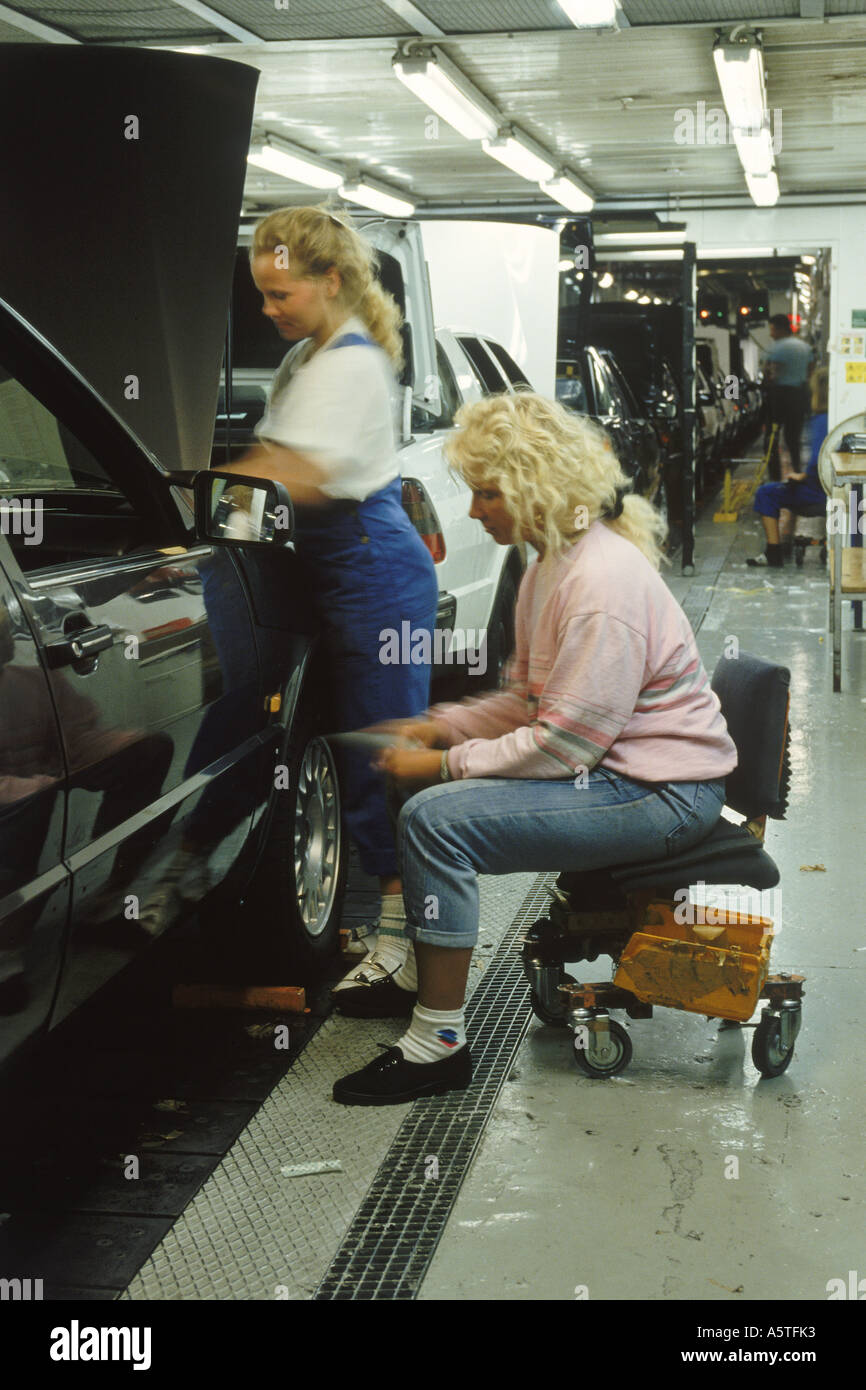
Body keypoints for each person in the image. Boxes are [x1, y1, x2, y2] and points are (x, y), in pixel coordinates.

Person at [331, 392, 738, 1107]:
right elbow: (528, 702)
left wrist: (447, 762)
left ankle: (438, 1046)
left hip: (661, 793)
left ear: (533, 489)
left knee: (436, 821)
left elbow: (565, 744)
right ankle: (411, 971)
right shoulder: (550, 561)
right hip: (622, 773)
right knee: (421, 788)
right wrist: (444, 726)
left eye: (488, 493)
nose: (478, 509)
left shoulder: (598, 585)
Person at [220, 207, 438, 972]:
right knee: (356, 748)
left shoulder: (347, 365)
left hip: (372, 567)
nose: (269, 309)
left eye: (282, 294)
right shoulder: (311, 356)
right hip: (338, 566)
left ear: (330, 280)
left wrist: (183, 492)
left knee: (380, 752)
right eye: (262, 295)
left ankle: (406, 937)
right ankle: (390, 923)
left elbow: (295, 471)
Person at [747, 366, 828, 567]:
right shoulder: (838, 417)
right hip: (837, 489)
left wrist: (804, 477)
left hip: (819, 491)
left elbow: (819, 459)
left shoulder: (820, 420)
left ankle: (773, 554)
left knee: (766, 493)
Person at [762, 314, 813, 478]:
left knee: (771, 437)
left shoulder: (775, 348)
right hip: (799, 395)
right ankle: (797, 470)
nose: (771, 334)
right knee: (793, 437)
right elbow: (811, 369)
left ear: (779, 329)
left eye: (772, 329)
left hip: (778, 396)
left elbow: (770, 373)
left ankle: (775, 476)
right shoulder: (804, 347)